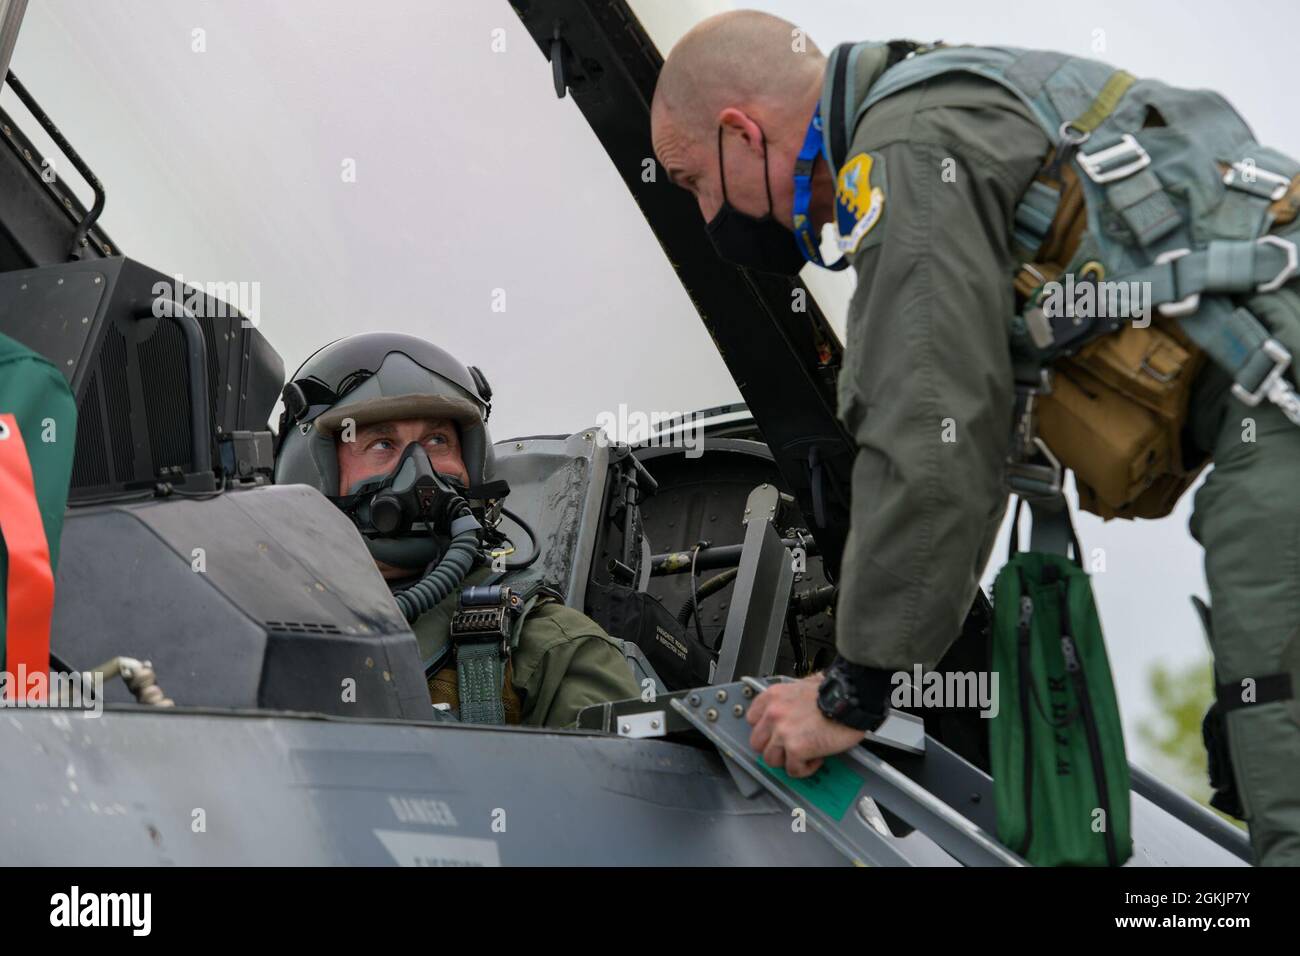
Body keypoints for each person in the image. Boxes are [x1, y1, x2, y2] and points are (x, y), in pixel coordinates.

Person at [652, 10, 1300, 864]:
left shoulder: (906, 148)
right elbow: (970, 427)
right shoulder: (957, 100)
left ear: (741, 131)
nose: (707, 214)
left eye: (696, 180)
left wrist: (849, 694)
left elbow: (929, 437)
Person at [274, 332, 640, 728]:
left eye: (437, 440)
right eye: (382, 444)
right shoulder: (258, 619)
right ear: (314, 473)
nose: (421, 472)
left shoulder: (553, 648)